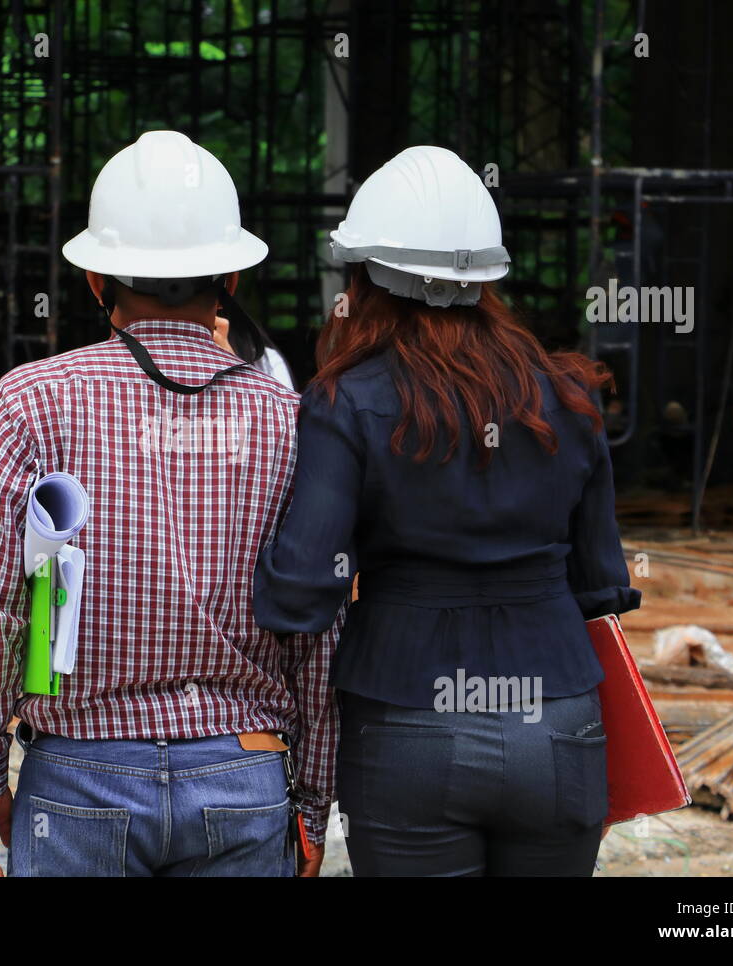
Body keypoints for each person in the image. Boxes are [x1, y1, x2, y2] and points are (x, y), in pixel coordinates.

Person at [0, 130, 338, 877]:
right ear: (231, 278)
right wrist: (313, 799)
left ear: (95, 278)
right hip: (243, 777)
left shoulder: (33, 403)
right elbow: (320, 628)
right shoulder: (292, 419)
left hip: (78, 780)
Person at [253, 145, 641, 876]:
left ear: (363, 279)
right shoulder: (569, 398)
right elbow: (603, 588)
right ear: (487, 277)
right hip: (557, 719)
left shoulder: (346, 403)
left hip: (407, 724)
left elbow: (303, 592)